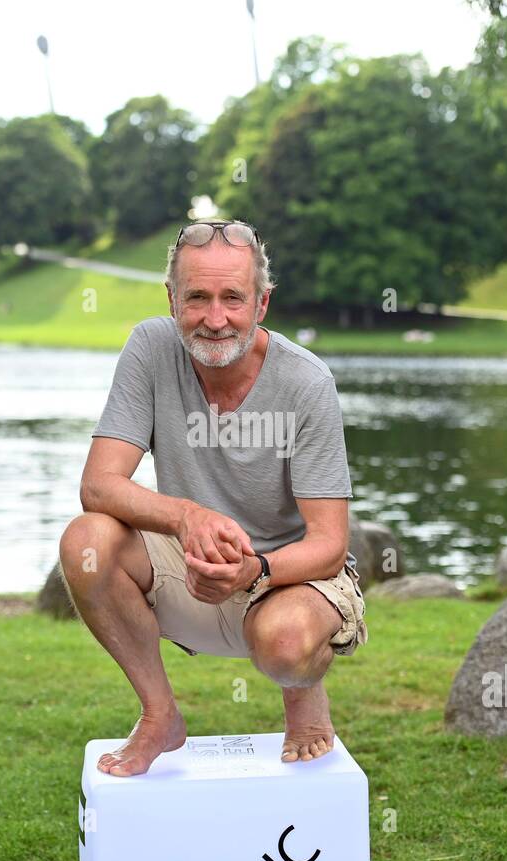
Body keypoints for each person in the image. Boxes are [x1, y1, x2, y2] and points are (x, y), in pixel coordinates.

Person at [59, 219, 367, 776]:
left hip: (289, 575)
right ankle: (159, 715)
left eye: (233, 298)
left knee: (286, 646)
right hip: (192, 568)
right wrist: (186, 515)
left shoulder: (307, 382)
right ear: (172, 298)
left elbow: (328, 543)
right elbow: (98, 485)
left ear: (262, 303)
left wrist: (254, 569)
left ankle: (303, 691)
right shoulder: (151, 347)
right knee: (87, 540)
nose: (215, 318)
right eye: (197, 297)